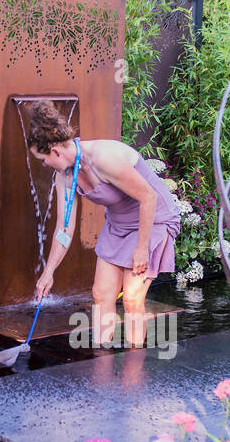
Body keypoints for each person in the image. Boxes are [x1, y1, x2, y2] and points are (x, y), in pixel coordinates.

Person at [25, 99, 181, 348]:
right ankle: (100, 362)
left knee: (131, 299)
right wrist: (48, 272)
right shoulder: (64, 176)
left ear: (55, 151)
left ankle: (133, 371)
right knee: (101, 294)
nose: (43, 165)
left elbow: (148, 197)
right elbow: (64, 229)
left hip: (151, 221)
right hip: (118, 225)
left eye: (42, 159)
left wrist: (141, 249)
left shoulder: (104, 158)